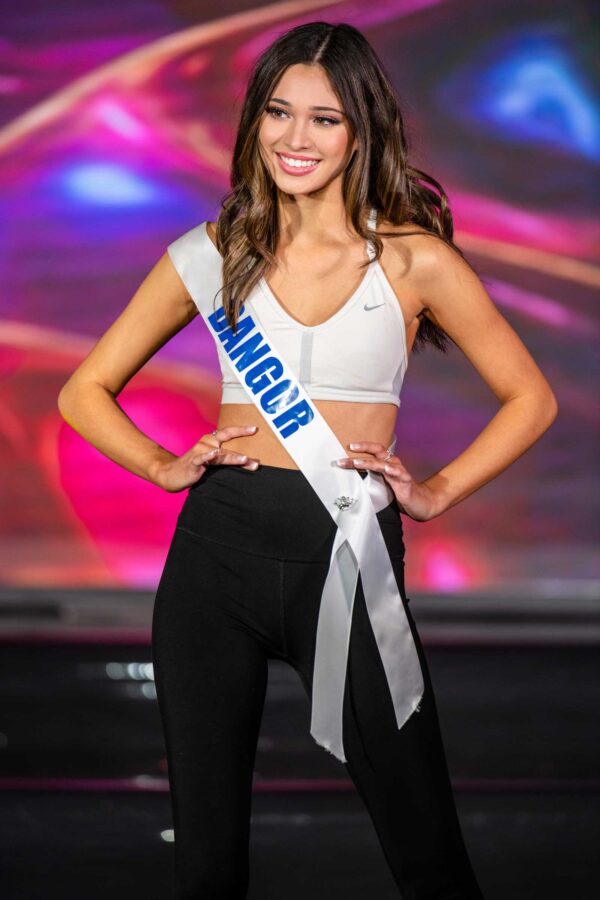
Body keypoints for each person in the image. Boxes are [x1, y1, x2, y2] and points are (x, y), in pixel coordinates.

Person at [57, 20, 558, 900]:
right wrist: (164, 466)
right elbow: (84, 390)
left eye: (324, 119)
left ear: (362, 129)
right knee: (206, 864)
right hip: (215, 562)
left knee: (427, 851)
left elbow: (532, 398)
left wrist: (436, 491)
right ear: (253, 122)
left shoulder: (413, 260)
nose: (296, 138)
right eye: (279, 113)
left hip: (349, 559)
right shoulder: (213, 254)